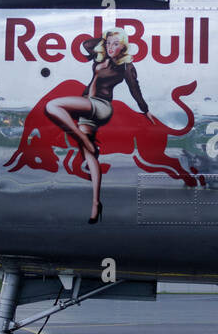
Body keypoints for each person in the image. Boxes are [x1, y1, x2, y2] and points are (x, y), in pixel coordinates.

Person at [44, 29, 160, 223]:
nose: (110, 47)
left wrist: (145, 109)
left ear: (123, 46)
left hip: (101, 105)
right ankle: (96, 203)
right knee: (90, 155)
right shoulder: (100, 57)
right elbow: (86, 45)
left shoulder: (126, 66)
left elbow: (135, 89)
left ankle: (81, 138)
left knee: (52, 105)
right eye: (108, 44)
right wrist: (106, 39)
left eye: (116, 44)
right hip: (86, 107)